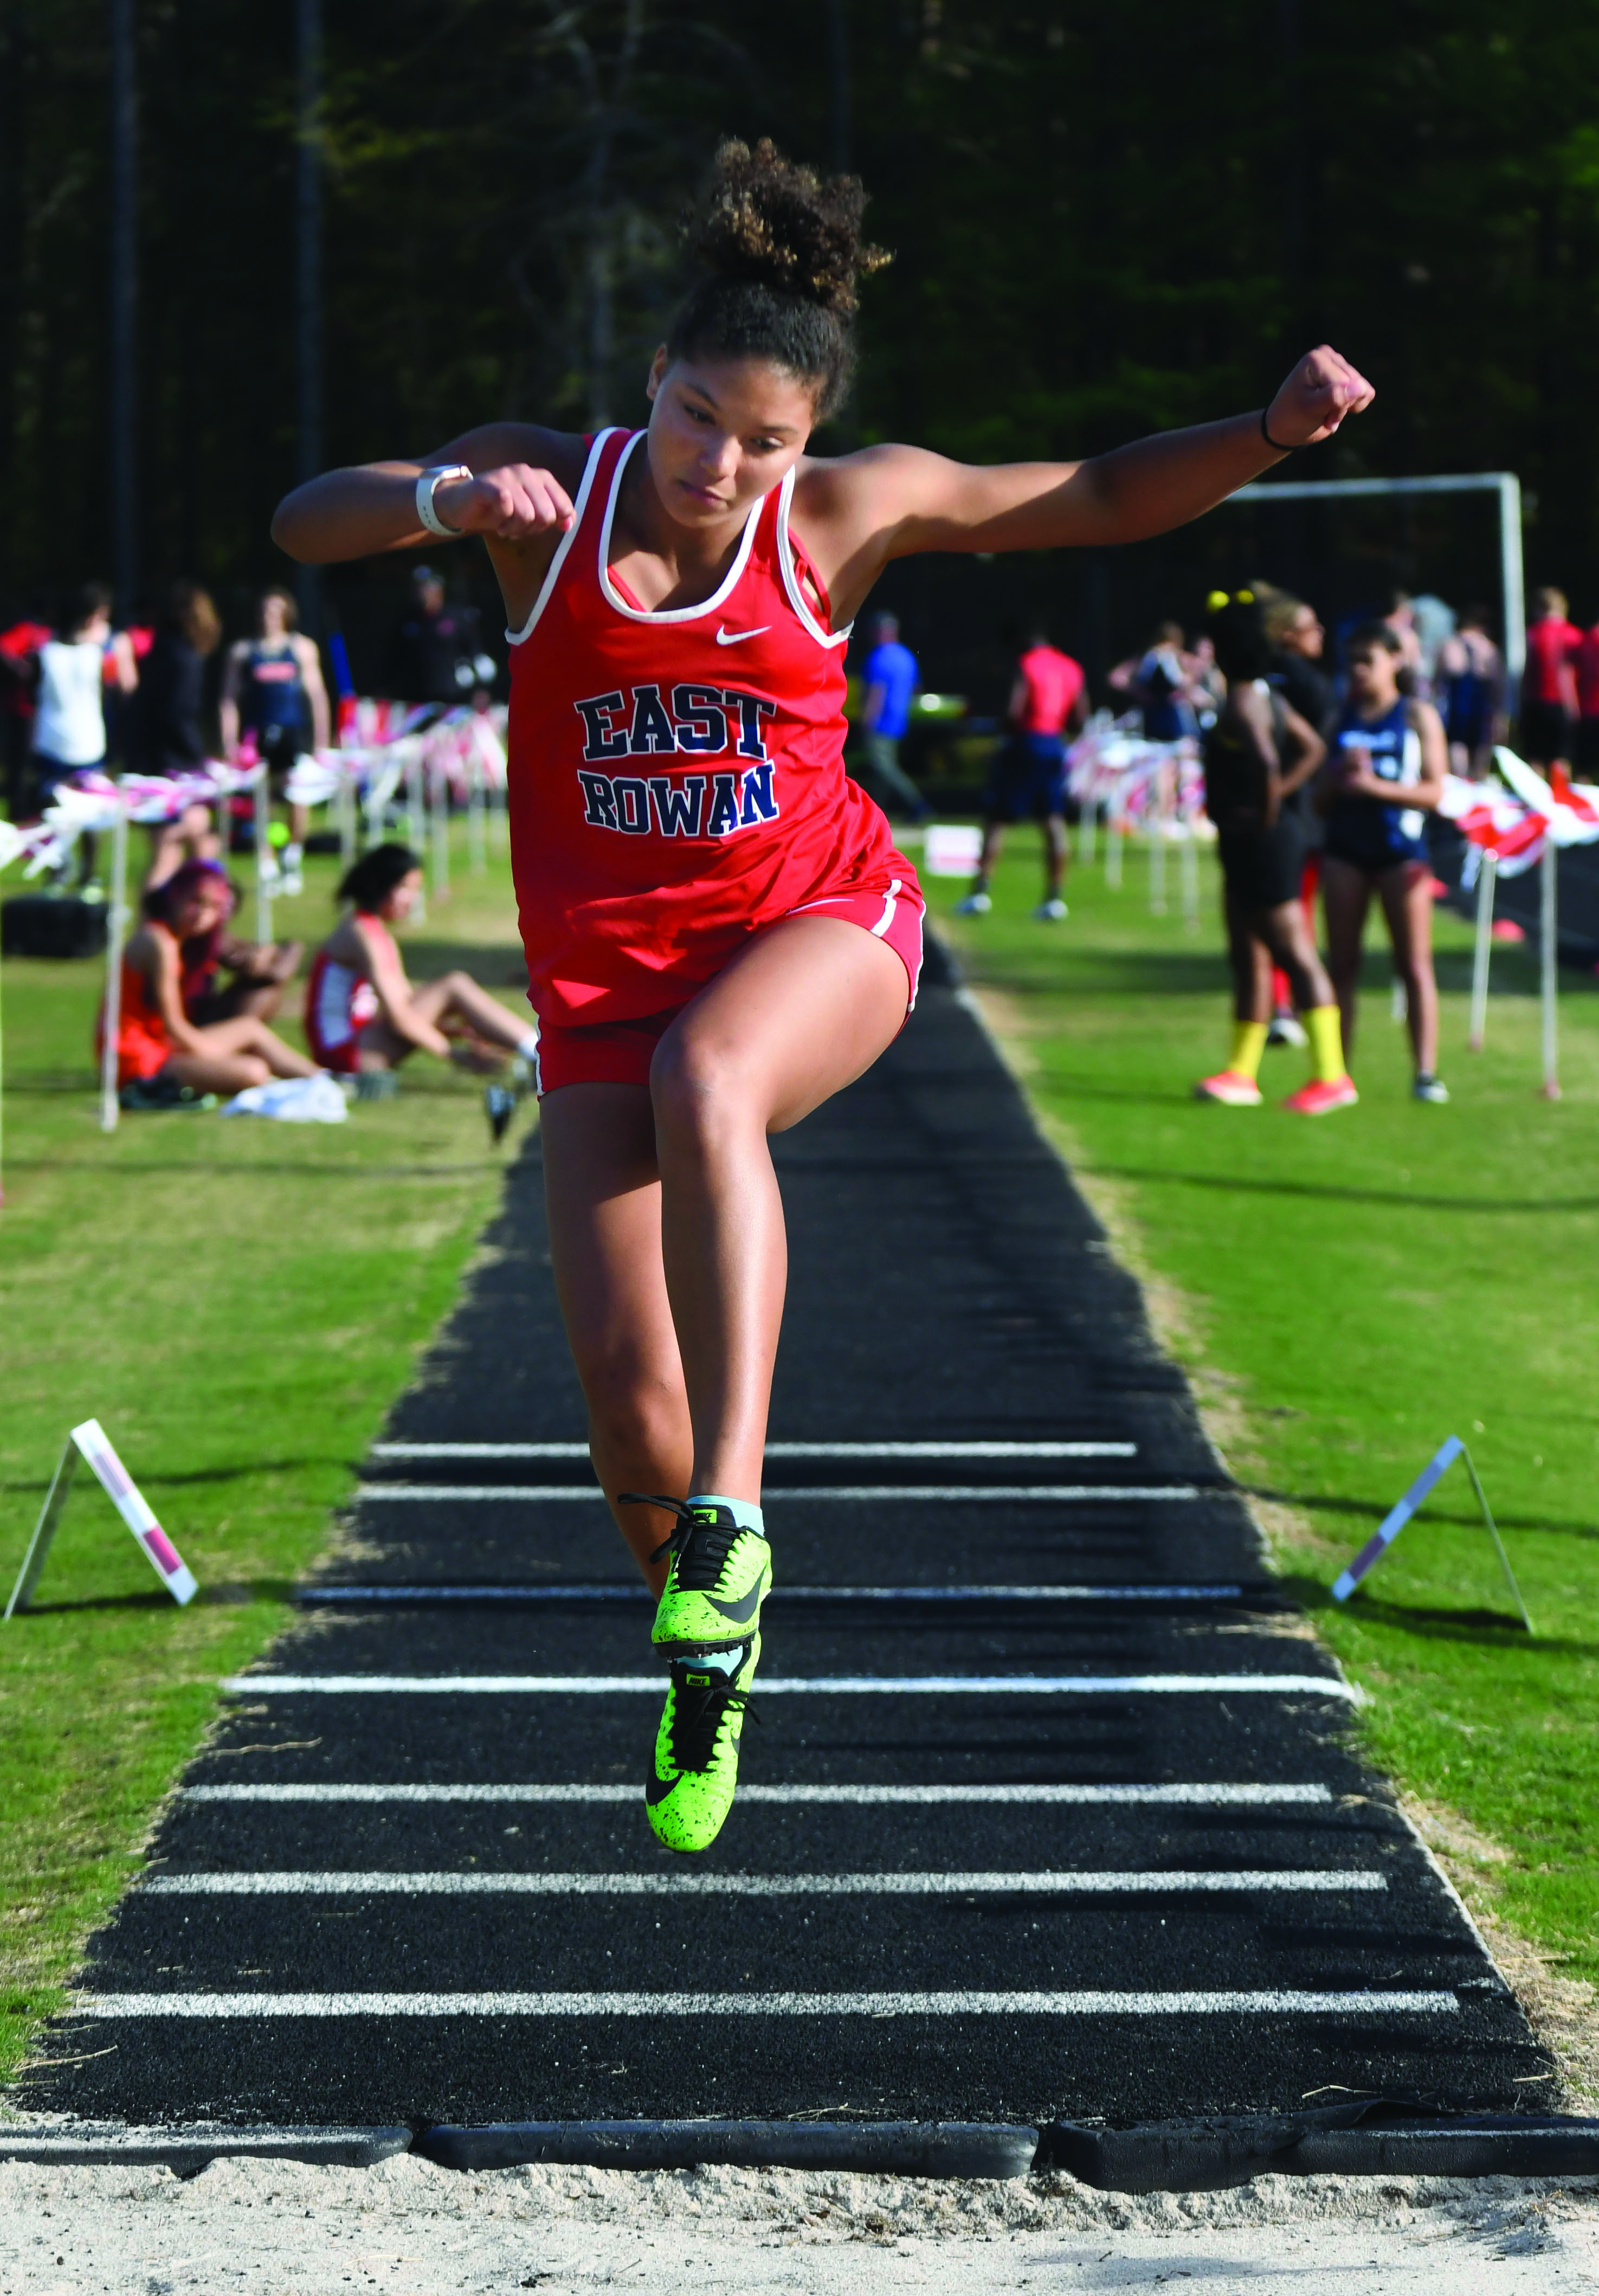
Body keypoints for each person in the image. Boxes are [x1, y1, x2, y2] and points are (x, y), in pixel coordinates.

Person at [270, 134, 1372, 1854]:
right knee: (620, 1399)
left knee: (713, 1079)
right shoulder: (543, 488)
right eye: (697, 416)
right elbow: (305, 519)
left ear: (807, 443)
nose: (719, 463)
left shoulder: (837, 517)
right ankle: (705, 1650)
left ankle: (734, 1514)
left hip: (819, 924)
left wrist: (1267, 434)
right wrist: (445, 505)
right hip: (601, 984)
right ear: (655, 378)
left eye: (762, 440)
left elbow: (1090, 493)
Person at [1194, 594, 1353, 1114]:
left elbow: (1265, 760)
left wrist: (1265, 810)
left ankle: (1332, 1077)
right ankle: (1241, 1073)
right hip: (1252, 842)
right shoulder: (1263, 694)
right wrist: (1280, 796)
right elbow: (1312, 748)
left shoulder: (1243, 702)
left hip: (1263, 845)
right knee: (1248, 956)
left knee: (1293, 953)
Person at [1319, 623, 1449, 1103]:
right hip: (1346, 851)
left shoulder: (1416, 715)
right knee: (1341, 965)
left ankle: (1425, 1072)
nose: (1358, 671)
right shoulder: (1339, 717)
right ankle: (1335, 1072)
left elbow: (1436, 792)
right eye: (1351, 661)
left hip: (1401, 853)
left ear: (1394, 660)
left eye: (1367, 660)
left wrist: (1375, 786)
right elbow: (1317, 802)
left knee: (1413, 964)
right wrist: (1339, 778)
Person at [305, 842, 541, 1076]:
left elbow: (406, 1002)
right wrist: (454, 1054)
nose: (413, 899)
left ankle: (535, 1051)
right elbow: (399, 1017)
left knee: (452, 990)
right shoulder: (362, 934)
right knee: (454, 985)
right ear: (381, 884)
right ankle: (539, 1054)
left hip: (354, 1044)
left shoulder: (368, 929)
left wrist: (458, 1031)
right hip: (344, 1053)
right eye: (406, 888)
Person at [99, 857, 319, 1105]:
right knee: (253, 1071)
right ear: (175, 896)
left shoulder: (184, 939)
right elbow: (174, 1025)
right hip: (139, 1057)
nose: (204, 914)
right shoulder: (159, 942)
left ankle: (326, 1080)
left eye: (215, 907)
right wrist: (212, 1052)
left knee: (249, 1028)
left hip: (164, 1045)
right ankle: (308, 1086)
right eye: (196, 902)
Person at [956, 623, 1087, 919]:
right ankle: (1054, 898)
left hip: (1026, 742)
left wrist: (1004, 737)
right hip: (1054, 744)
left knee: (998, 819)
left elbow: (1015, 709)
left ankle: (979, 894)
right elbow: (1081, 714)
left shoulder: (1026, 664)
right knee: (1053, 819)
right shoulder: (1070, 667)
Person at [1259, 589, 1335, 1046]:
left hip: (1270, 814)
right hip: (1300, 816)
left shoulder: (1255, 678)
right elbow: (1320, 748)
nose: (1320, 633)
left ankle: (1283, 1006)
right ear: (1288, 634)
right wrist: (1284, 789)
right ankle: (1295, 1009)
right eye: (1311, 627)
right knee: (1296, 916)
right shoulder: (1308, 682)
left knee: (1269, 919)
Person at [221, 587, 331, 895]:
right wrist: (230, 741)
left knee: (297, 796)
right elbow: (229, 699)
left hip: (293, 732)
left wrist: (321, 740)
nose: (269, 617)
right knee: (261, 800)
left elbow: (316, 695)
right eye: (265, 610)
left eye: (275, 611)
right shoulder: (243, 651)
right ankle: (266, 863)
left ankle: (292, 856)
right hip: (257, 734)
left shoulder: (301, 648)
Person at [27, 583, 139, 885]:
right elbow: (126, 688)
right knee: (63, 813)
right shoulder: (66, 651)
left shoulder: (49, 651)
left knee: (78, 811)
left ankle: (72, 874)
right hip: (72, 741)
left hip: (69, 740)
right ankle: (71, 872)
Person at [134, 581, 224, 885]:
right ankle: (156, 918)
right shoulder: (185, 658)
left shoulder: (159, 652)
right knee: (171, 851)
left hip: (153, 760)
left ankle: (192, 908)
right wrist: (200, 763)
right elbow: (178, 716)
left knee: (197, 844)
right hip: (174, 769)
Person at [169, 859, 304, 1025]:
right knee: (262, 990)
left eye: (222, 905)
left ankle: (236, 1037)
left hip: (195, 1013)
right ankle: (233, 1039)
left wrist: (279, 952)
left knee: (266, 986)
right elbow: (257, 966)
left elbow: (281, 959)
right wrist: (264, 957)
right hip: (180, 1023)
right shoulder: (184, 934)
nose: (222, 911)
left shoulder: (210, 935)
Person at [853, 612, 929, 821]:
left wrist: (866, 721)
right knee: (881, 770)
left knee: (884, 767)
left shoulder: (878, 657)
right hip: (899, 722)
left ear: (880, 631)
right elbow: (916, 688)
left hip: (880, 722)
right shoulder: (907, 656)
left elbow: (876, 693)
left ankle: (918, 805)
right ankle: (877, 812)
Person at [391, 565, 489, 709]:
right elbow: (394, 657)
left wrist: (480, 689)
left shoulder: (457, 617)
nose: (422, 593)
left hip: (455, 696)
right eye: (418, 588)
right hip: (416, 698)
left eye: (426, 588)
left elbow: (475, 653)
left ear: (439, 589)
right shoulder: (408, 621)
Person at [1436, 607, 1505, 781]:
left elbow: (1439, 677)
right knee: (1481, 743)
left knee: (1457, 741)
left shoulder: (1451, 644)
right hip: (1481, 698)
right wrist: (1499, 713)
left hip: (1457, 699)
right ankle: (1478, 778)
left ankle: (1461, 778)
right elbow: (1497, 682)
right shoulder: (1488, 647)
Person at [1520, 587, 1581, 775]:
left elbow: (1528, 670)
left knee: (1536, 756)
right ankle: (1560, 791)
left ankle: (1535, 792)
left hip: (1536, 701)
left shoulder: (1533, 633)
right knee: (1561, 756)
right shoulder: (1573, 635)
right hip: (1563, 703)